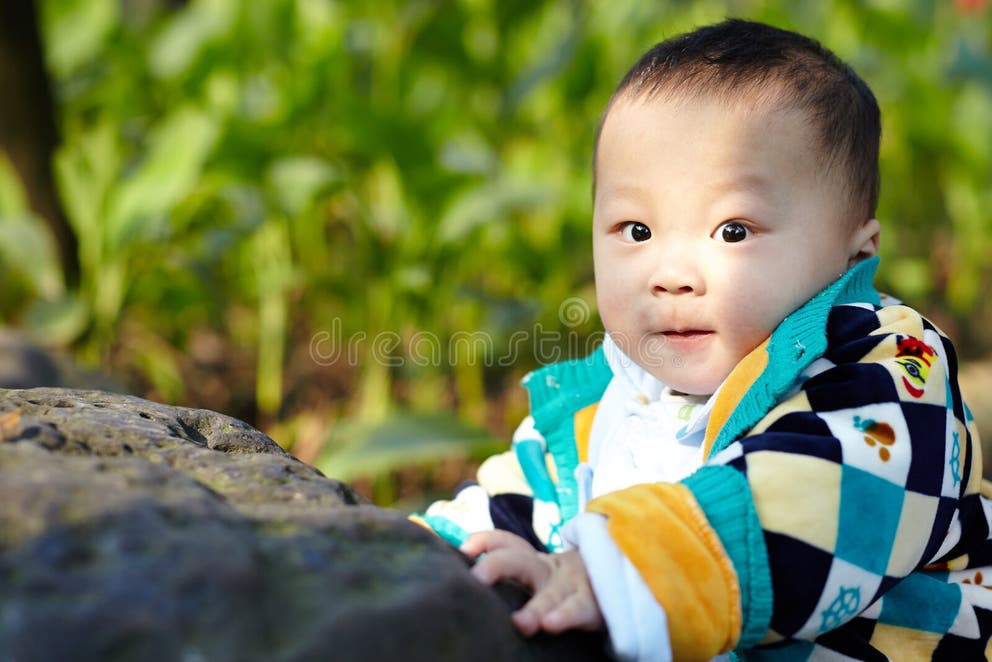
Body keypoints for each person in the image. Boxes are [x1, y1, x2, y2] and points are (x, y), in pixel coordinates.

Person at [411, 18, 992, 661]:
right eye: (636, 231)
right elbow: (514, 506)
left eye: (732, 231)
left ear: (853, 254)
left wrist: (616, 571)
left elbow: (812, 496)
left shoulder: (889, 371)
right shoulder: (602, 407)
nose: (671, 275)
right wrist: (414, 555)